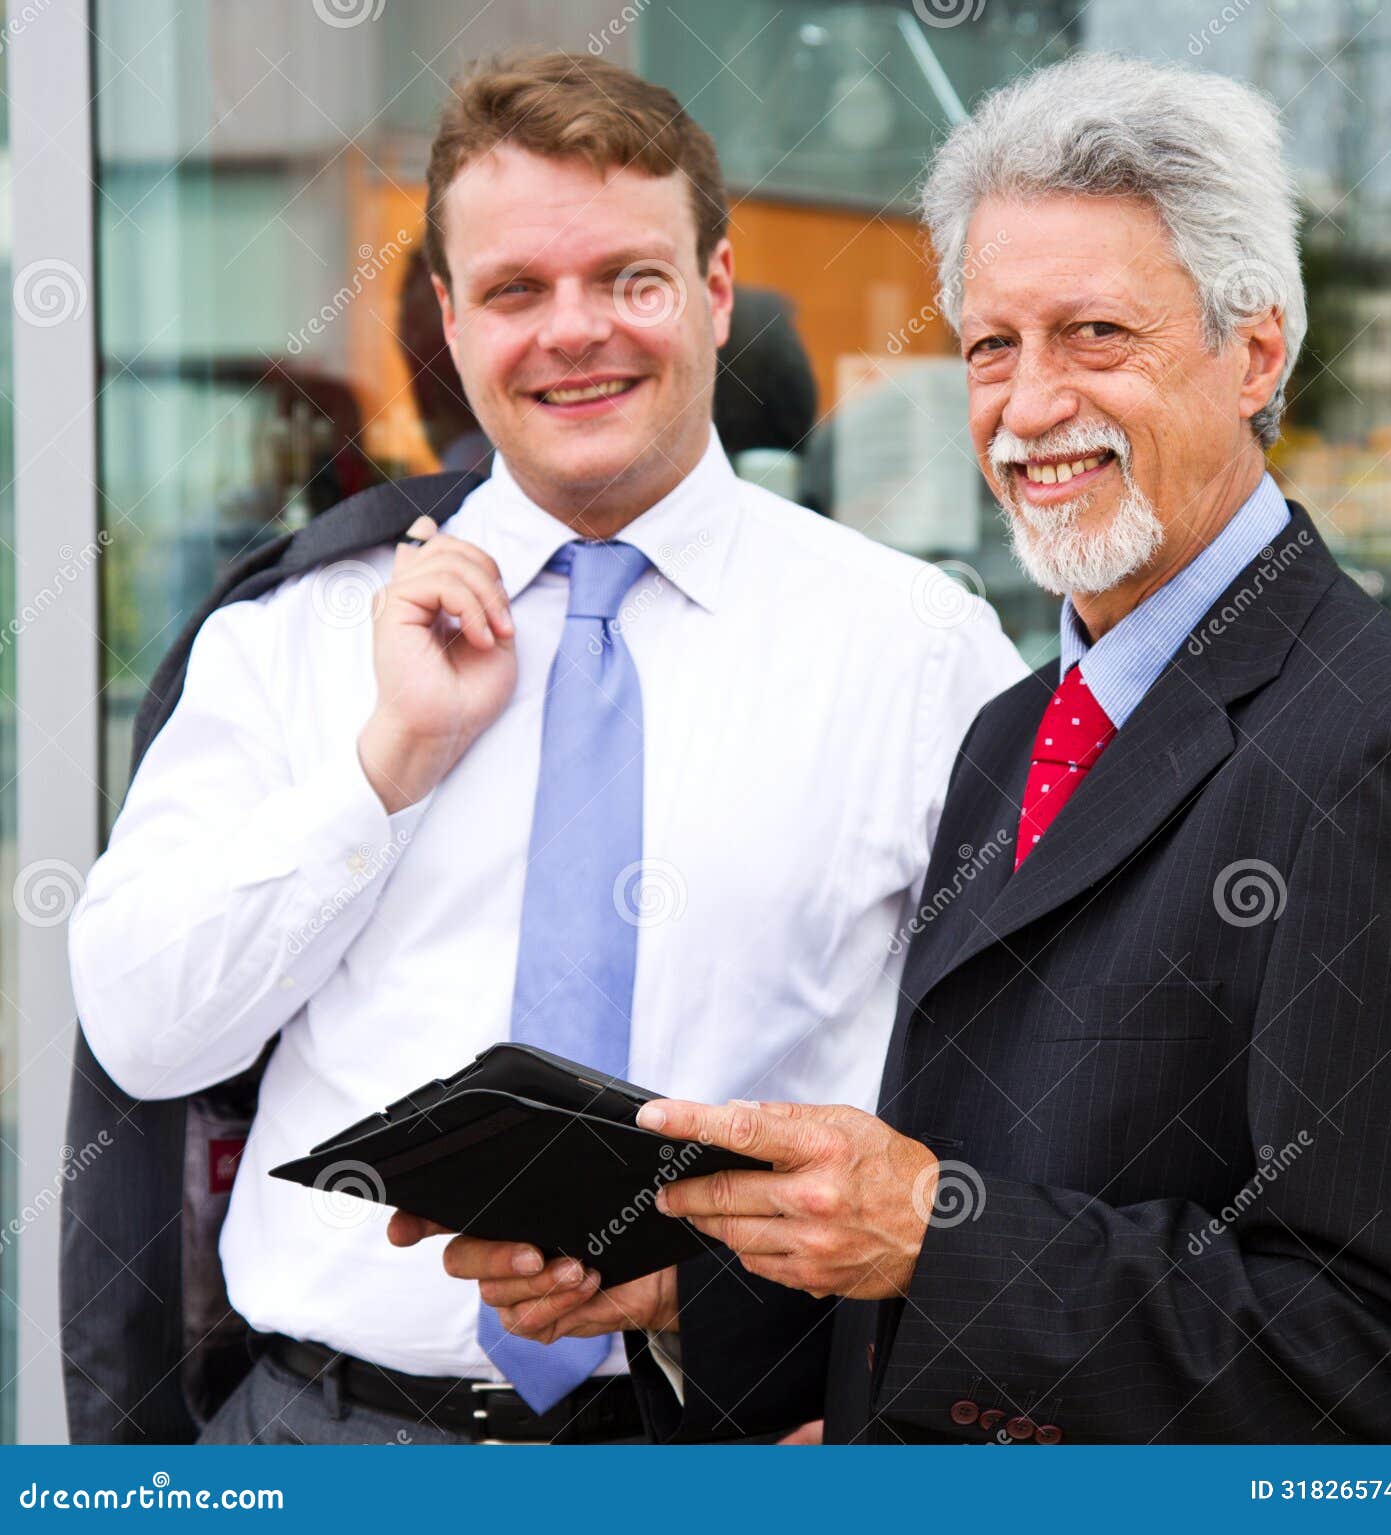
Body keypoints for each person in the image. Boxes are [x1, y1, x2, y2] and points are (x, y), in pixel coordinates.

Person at [433, 53, 1391, 1445]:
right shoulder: (1012, 733)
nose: (1029, 408)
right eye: (990, 346)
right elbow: (1009, 1198)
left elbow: (1385, 1373)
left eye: (1095, 336)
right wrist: (708, 1284)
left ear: (1255, 352)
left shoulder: (1390, 754)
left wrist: (930, 1230)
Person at [67, 50, 1023, 1446]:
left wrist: (903, 1388)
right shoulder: (303, 633)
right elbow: (146, 1037)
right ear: (452, 322)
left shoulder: (917, 650)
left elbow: (1022, 1075)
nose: (573, 332)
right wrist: (383, 763)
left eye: (629, 279)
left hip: (741, 1440)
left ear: (713, 288)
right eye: (517, 290)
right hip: (337, 1443)